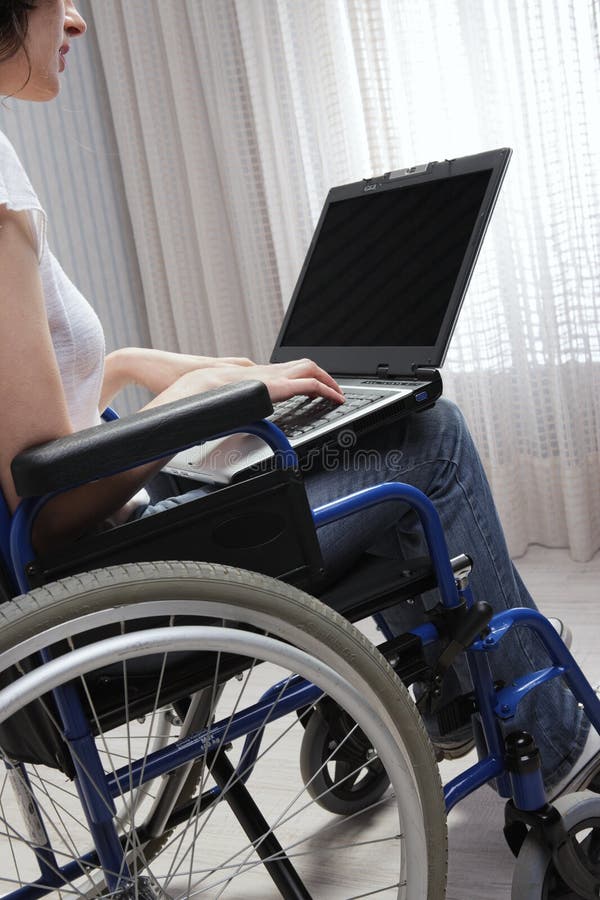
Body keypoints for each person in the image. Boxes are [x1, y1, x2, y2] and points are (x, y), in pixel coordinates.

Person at [0, 0, 597, 797]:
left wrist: (133, 364)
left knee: (345, 438)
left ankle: (458, 690)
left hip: (103, 561)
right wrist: (193, 401)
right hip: (118, 592)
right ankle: (557, 748)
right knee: (429, 437)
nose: (76, 22)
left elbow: (29, 403)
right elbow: (45, 501)